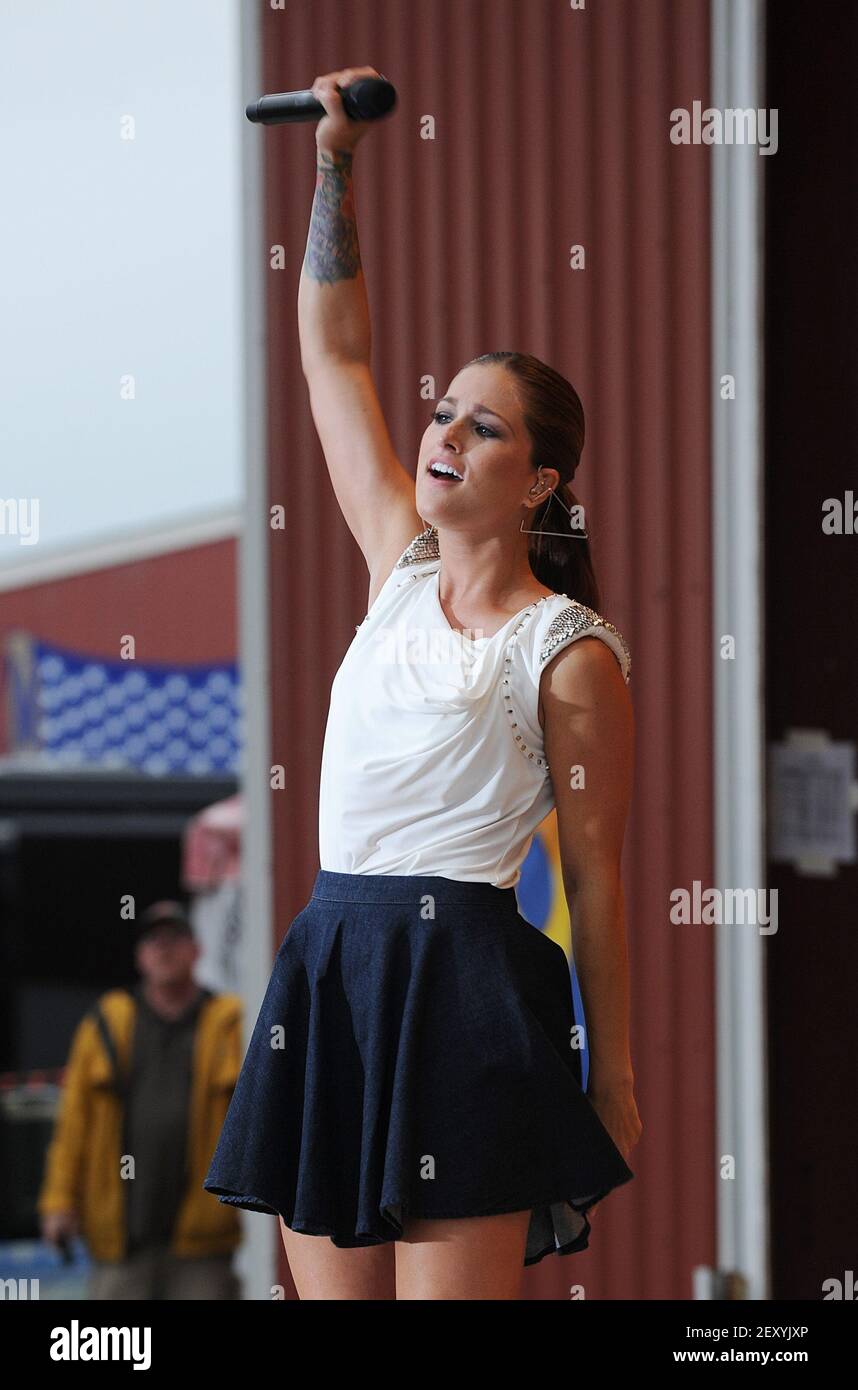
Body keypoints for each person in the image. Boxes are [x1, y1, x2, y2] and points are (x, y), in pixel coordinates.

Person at [204, 66, 642, 1301]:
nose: (443, 435)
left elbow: (599, 884)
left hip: (464, 986)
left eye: (482, 427)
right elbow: (335, 352)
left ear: (543, 480)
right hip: (330, 965)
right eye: (443, 412)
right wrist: (335, 160)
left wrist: (611, 1084)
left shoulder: (568, 649)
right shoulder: (395, 559)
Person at [38, 899, 243, 1300]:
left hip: (203, 1245)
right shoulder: (106, 1023)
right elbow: (73, 1124)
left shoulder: (229, 1022)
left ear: (196, 950)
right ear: (139, 956)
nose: (164, 949)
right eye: (153, 941)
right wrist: (59, 1202)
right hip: (120, 1243)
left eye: (175, 938)